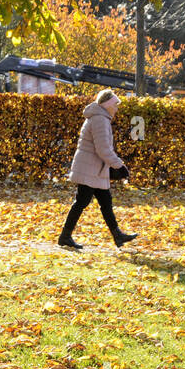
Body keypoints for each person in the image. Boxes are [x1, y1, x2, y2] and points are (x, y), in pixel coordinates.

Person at [59, 88, 139, 250]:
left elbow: (103, 149)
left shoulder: (100, 118)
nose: (116, 108)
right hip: (91, 169)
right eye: (115, 105)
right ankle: (65, 236)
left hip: (95, 170)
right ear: (107, 104)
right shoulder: (99, 120)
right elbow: (103, 149)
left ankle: (117, 235)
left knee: (105, 202)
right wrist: (120, 166)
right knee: (82, 201)